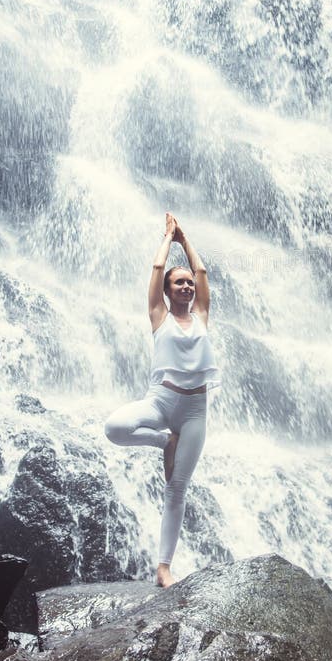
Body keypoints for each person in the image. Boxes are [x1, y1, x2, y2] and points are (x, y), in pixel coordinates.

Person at [104, 212, 218, 587]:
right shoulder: (159, 316)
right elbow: (157, 266)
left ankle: (163, 568)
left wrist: (187, 241)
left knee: (177, 489)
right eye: (178, 283)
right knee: (115, 427)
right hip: (161, 402)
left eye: (188, 283)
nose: (186, 286)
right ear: (167, 292)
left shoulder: (201, 314)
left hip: (195, 411)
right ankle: (162, 441)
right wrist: (169, 238)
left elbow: (203, 274)